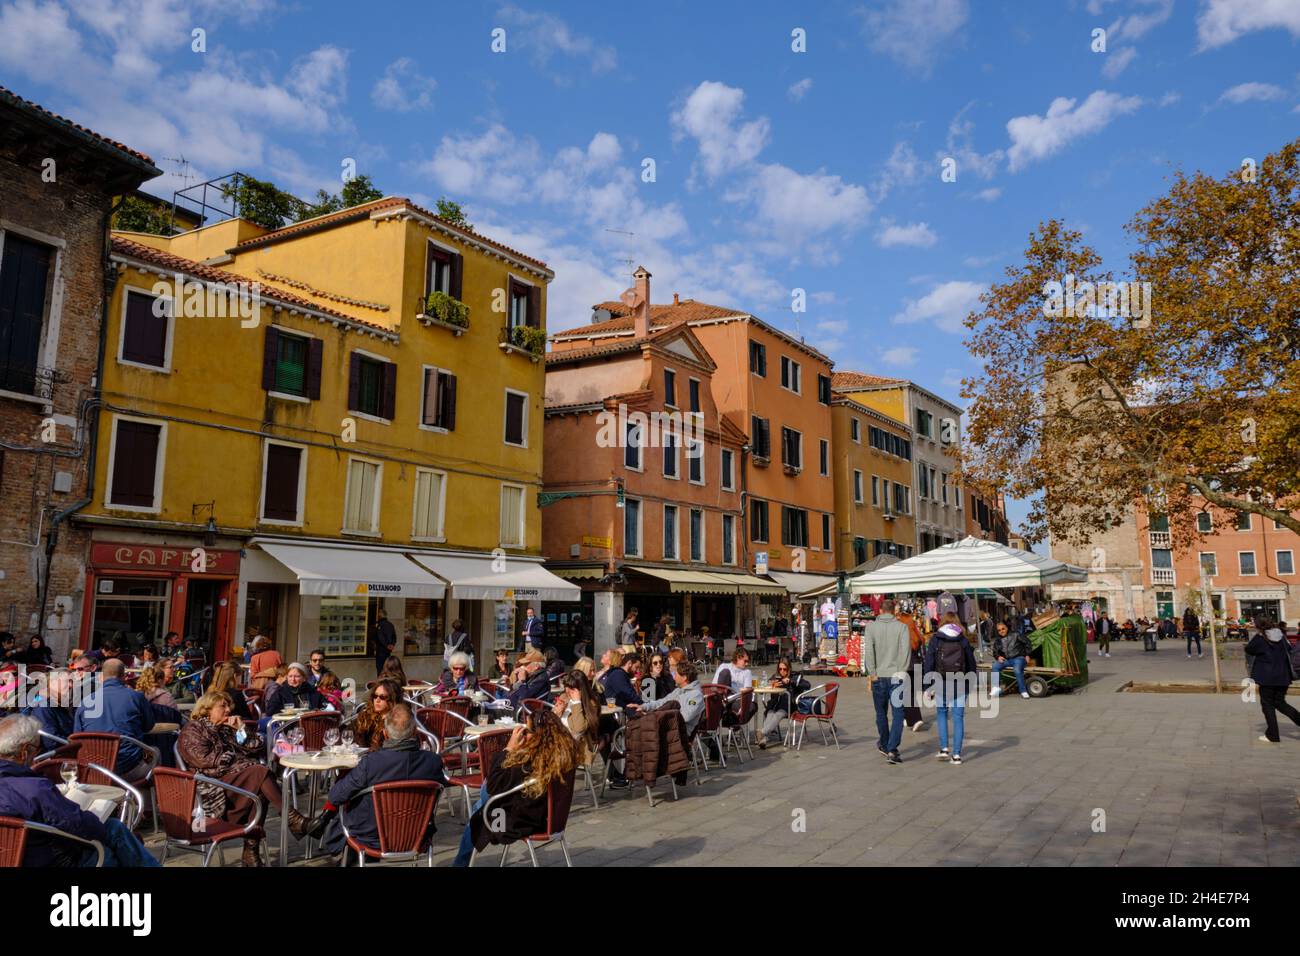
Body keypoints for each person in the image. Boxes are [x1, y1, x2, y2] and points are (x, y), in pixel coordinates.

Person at [0, 715, 158, 867]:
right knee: (113, 832)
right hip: (56, 862)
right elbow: (81, 825)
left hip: (18, 859)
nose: (37, 755)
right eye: (37, 749)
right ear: (24, 752)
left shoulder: (28, 788)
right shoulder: (34, 790)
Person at [179, 690, 315, 865]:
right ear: (207, 709)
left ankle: (252, 852)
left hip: (234, 781)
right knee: (259, 772)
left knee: (260, 786)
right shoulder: (193, 729)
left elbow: (256, 747)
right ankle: (292, 820)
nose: (228, 710)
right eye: (223, 706)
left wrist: (241, 730)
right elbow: (204, 760)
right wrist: (236, 759)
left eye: (229, 706)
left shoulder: (226, 729)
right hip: (212, 788)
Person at [310, 703, 448, 857]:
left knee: (348, 805)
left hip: (370, 837)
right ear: (415, 732)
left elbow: (335, 796)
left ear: (385, 734)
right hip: (417, 835)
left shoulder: (371, 763)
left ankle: (350, 857)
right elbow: (440, 787)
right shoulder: (433, 762)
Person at [451, 707, 578, 866]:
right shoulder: (559, 758)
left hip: (513, 824)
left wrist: (509, 748)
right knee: (484, 801)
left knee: (479, 815)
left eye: (527, 730)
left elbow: (493, 786)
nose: (523, 734)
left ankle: (459, 865)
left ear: (539, 735)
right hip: (549, 820)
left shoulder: (529, 766)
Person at [73, 659, 162, 784]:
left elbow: (77, 738)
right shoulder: (136, 697)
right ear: (124, 677)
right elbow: (148, 726)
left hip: (95, 768)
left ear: (101, 677)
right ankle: (146, 801)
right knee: (155, 752)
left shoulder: (85, 702)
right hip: (129, 767)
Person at [925, 613, 978, 764]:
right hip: (961, 682)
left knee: (941, 714)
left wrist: (928, 685)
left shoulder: (936, 639)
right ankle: (956, 755)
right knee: (958, 717)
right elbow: (971, 664)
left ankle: (943, 749)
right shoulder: (963, 639)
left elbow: (929, 662)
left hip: (940, 682)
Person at [864, 598, 911, 765]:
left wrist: (872, 673)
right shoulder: (902, 627)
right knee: (898, 714)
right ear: (894, 611)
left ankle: (884, 744)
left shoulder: (871, 628)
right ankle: (892, 748)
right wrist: (901, 670)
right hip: (896, 675)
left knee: (880, 713)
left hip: (879, 676)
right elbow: (905, 651)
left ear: (881, 611)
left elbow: (869, 652)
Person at [1246, 618, 1300, 744]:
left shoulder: (1260, 638)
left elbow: (1249, 649)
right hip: (1283, 676)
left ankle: (1273, 735)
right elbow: (1289, 649)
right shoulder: (1281, 636)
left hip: (1267, 677)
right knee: (1280, 703)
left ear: (1259, 627)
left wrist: (1258, 635)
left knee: (1267, 705)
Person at [757, 656, 809, 749]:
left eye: (784, 669)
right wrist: (771, 684)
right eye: (780, 669)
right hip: (774, 704)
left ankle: (762, 732)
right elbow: (764, 687)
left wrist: (791, 682)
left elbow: (807, 685)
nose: (782, 671)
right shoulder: (776, 676)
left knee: (777, 714)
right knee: (770, 713)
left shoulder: (795, 676)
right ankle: (763, 739)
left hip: (788, 705)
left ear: (789, 668)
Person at [553, 669, 600, 763]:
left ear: (581, 689)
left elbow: (579, 729)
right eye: (566, 686)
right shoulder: (564, 698)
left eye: (572, 688)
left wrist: (577, 702)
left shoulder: (591, 704)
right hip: (558, 742)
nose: (567, 691)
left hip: (576, 747)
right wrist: (556, 714)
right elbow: (552, 725)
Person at [21, 668, 76, 740]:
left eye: (72, 682)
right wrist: (77, 743)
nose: (71, 685)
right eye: (67, 681)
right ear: (52, 682)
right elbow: (51, 741)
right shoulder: (43, 706)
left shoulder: (57, 702)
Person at [351, 679, 402, 751]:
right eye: (375, 696)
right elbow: (349, 735)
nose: (377, 700)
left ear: (392, 699)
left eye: (382, 697)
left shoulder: (397, 721)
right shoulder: (366, 716)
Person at [991, 619, 1032, 699]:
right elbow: (995, 651)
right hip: (1006, 660)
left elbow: (1027, 642)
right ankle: (996, 688)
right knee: (995, 666)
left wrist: (1027, 654)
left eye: (1003, 628)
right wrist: (998, 657)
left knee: (1017, 670)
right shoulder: (998, 640)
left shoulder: (1016, 634)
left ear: (1007, 628)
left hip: (1018, 658)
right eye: (999, 630)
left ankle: (1023, 691)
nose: (1001, 631)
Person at [373, 606, 398, 676]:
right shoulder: (390, 625)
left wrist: (387, 645)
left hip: (381, 651)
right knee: (387, 668)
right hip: (388, 651)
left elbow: (380, 637)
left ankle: (381, 684)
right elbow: (394, 637)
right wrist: (392, 645)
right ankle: (386, 683)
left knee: (380, 668)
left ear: (380, 615)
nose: (377, 615)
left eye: (378, 614)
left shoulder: (380, 625)